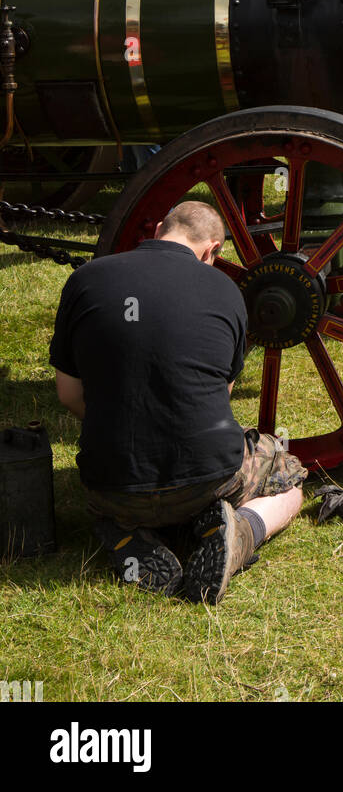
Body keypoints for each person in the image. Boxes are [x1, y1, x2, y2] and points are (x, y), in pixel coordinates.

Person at [49, 200, 307, 603]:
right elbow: (217, 399)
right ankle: (240, 534)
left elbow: (68, 394)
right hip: (206, 479)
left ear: (157, 229)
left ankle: (124, 529)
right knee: (288, 478)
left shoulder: (86, 278)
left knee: (111, 500)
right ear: (212, 251)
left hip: (111, 482)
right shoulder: (226, 289)